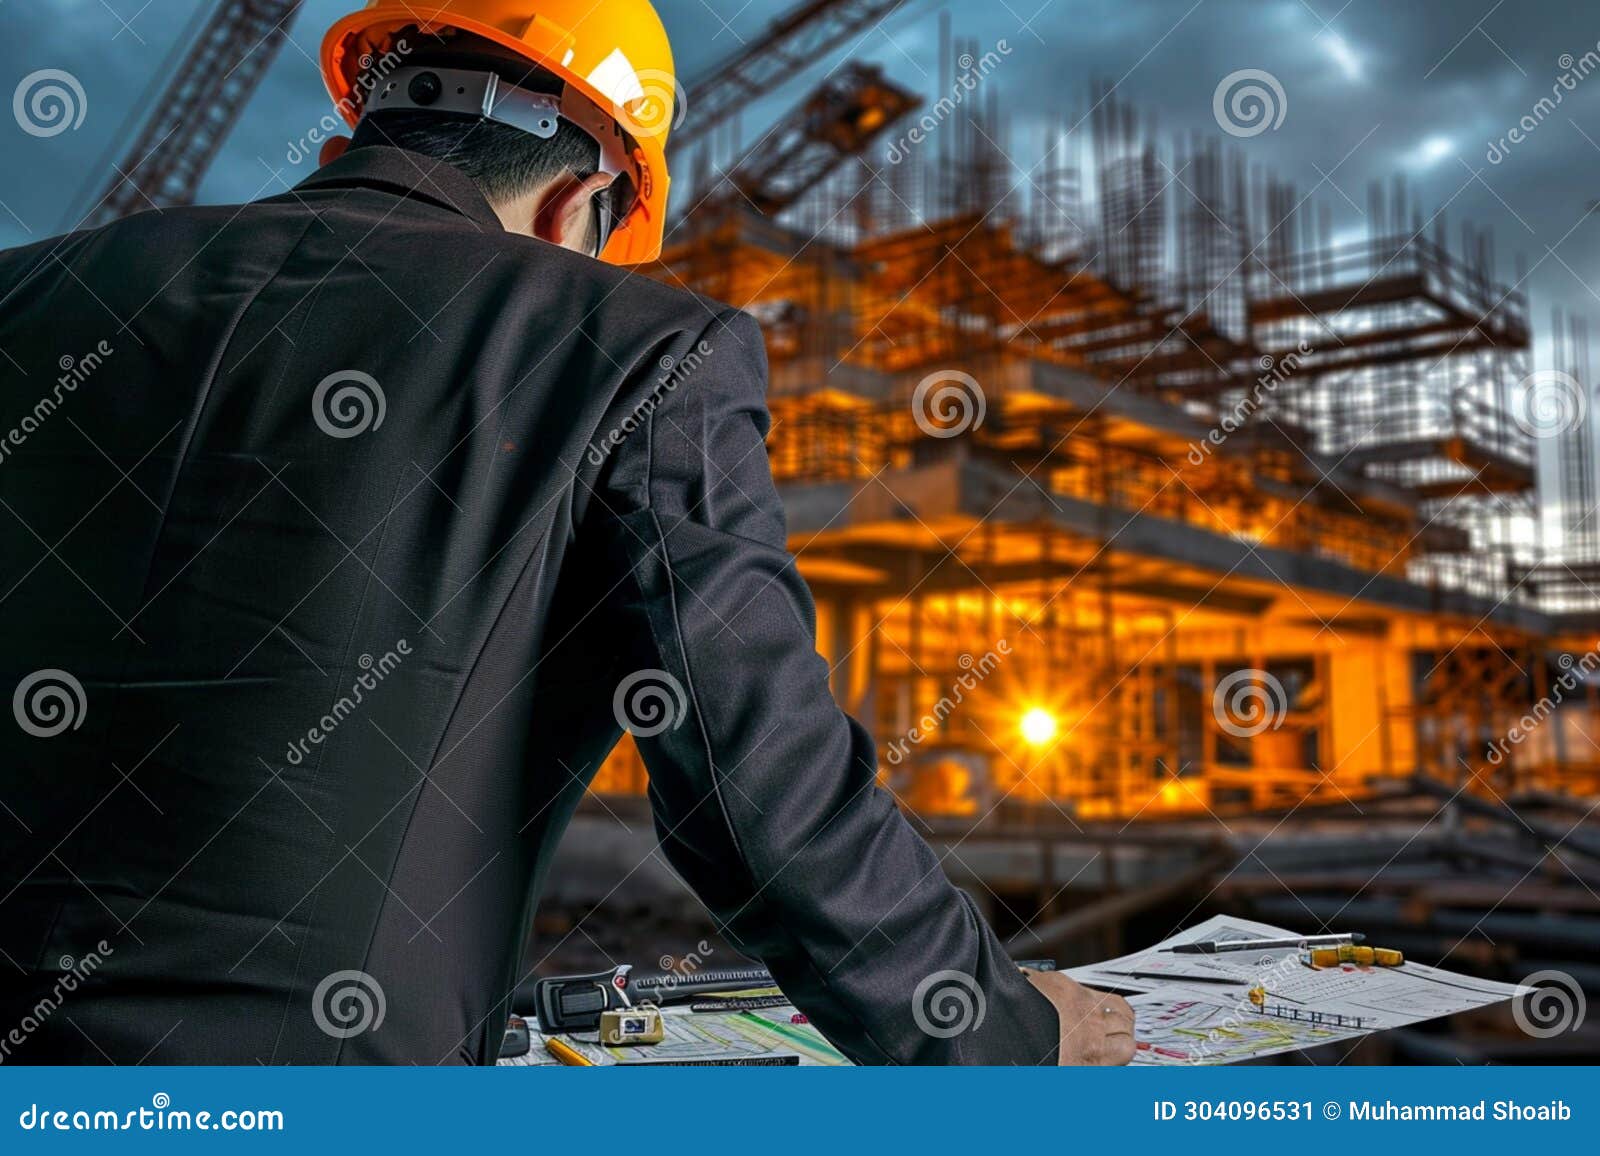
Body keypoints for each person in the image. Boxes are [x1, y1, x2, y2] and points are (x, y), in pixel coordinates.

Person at [0, 0, 1134, 1065]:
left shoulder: (28, 294)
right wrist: (1001, 1025)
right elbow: (760, 793)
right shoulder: (642, 346)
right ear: (576, 201)